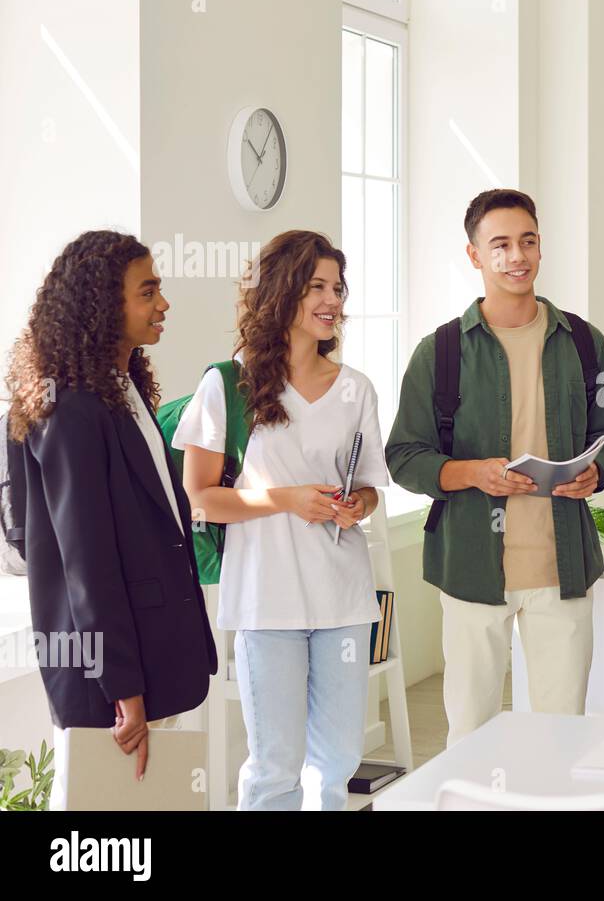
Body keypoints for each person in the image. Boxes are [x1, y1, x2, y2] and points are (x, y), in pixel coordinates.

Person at [386, 189, 604, 746]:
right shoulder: (439, 352)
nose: (517, 256)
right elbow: (404, 456)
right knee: (470, 734)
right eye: (500, 245)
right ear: (474, 255)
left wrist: (596, 470)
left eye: (528, 241)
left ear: (540, 248)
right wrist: (473, 474)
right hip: (471, 569)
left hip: (561, 567)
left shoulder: (587, 344)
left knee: (561, 735)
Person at [173, 231, 388, 810]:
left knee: (337, 763)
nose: (332, 300)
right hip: (266, 602)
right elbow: (202, 498)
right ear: (281, 291)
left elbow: (369, 486)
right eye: (316, 286)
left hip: (343, 598)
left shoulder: (355, 389)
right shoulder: (227, 384)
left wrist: (355, 504)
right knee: (274, 766)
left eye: (337, 288)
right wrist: (285, 499)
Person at [6, 231, 216, 806]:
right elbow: (86, 565)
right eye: (148, 292)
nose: (163, 304)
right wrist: (124, 688)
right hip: (112, 679)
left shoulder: (120, 388)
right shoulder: (72, 409)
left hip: (145, 660)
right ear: (103, 304)